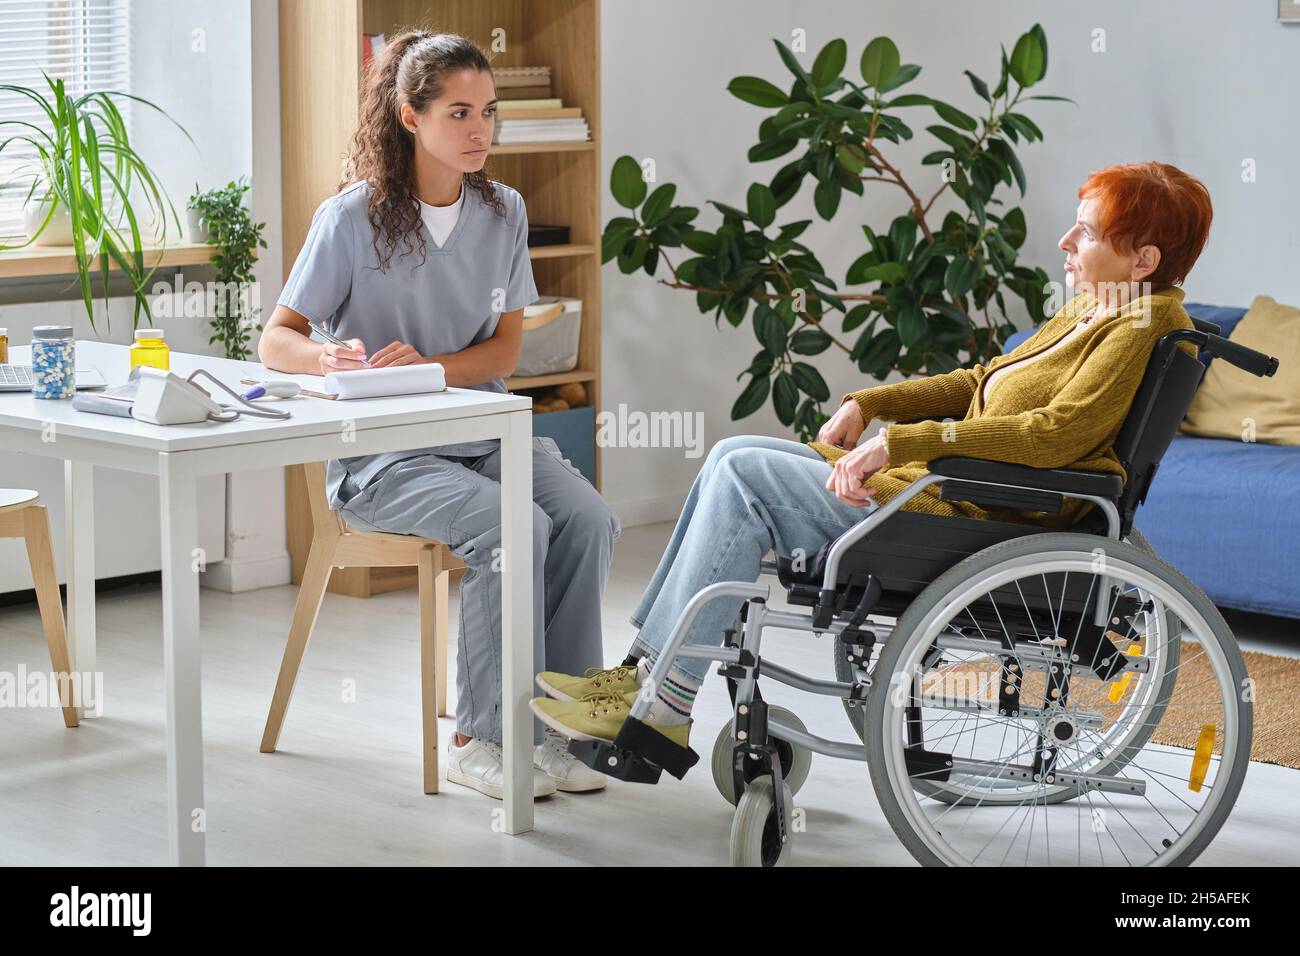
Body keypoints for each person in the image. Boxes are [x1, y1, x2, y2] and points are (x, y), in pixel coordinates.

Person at [530, 161, 1211, 748]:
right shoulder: (1096, 305)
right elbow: (980, 384)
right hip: (954, 492)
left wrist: (901, 444)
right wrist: (869, 402)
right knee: (732, 453)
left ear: (1143, 259)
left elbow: (1050, 435)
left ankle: (664, 701)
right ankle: (642, 676)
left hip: (983, 513)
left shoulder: (1144, 324)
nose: (1064, 241)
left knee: (742, 474)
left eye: (1086, 232)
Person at [260, 31, 618, 799]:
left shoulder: (505, 210)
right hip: (382, 460)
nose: (480, 130)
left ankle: (554, 730)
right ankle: (480, 737)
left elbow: (504, 354)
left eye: (488, 112)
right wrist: (328, 359)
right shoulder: (351, 218)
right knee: (513, 527)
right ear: (410, 117)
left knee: (588, 518)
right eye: (459, 112)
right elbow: (276, 339)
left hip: (483, 435)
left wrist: (427, 369)